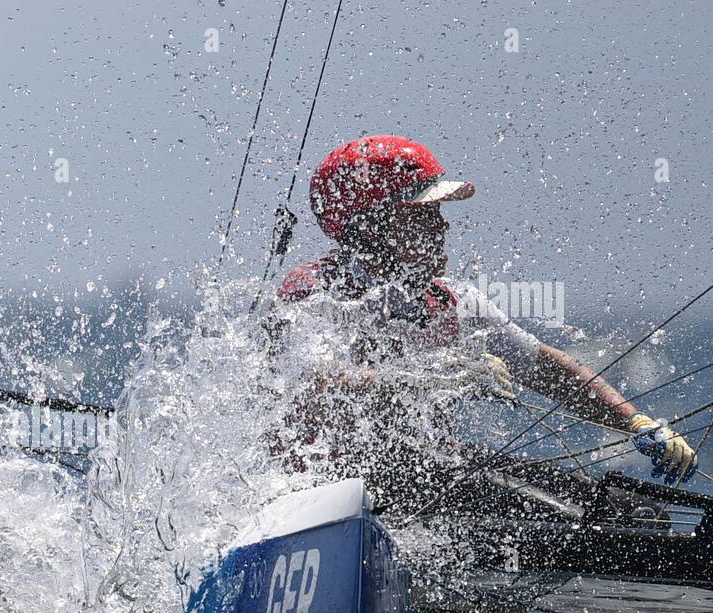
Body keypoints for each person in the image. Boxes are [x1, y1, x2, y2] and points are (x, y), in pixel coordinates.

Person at [266, 134, 697, 511]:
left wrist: (636, 422)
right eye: (421, 213)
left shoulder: (452, 300)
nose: (441, 224)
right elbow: (319, 383)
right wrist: (437, 376)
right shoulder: (316, 292)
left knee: (630, 512)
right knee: (591, 518)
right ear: (370, 225)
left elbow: (545, 366)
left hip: (426, 472)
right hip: (327, 493)